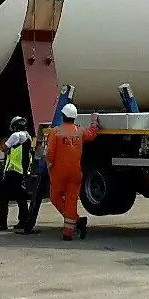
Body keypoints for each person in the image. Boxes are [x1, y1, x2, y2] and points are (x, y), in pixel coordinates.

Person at [46, 103, 99, 240]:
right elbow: (92, 134)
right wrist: (94, 121)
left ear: (62, 116)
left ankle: (76, 221)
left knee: (55, 198)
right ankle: (67, 234)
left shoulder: (56, 132)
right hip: (75, 173)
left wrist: (50, 167)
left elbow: (50, 153)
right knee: (71, 201)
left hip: (59, 173)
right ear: (74, 117)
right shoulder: (79, 131)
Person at [0, 115, 32, 231]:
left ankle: (2, 222)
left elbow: (4, 147)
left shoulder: (16, 135)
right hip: (22, 172)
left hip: (12, 171)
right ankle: (23, 221)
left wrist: (4, 147)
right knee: (21, 198)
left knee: (2, 197)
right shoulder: (27, 136)